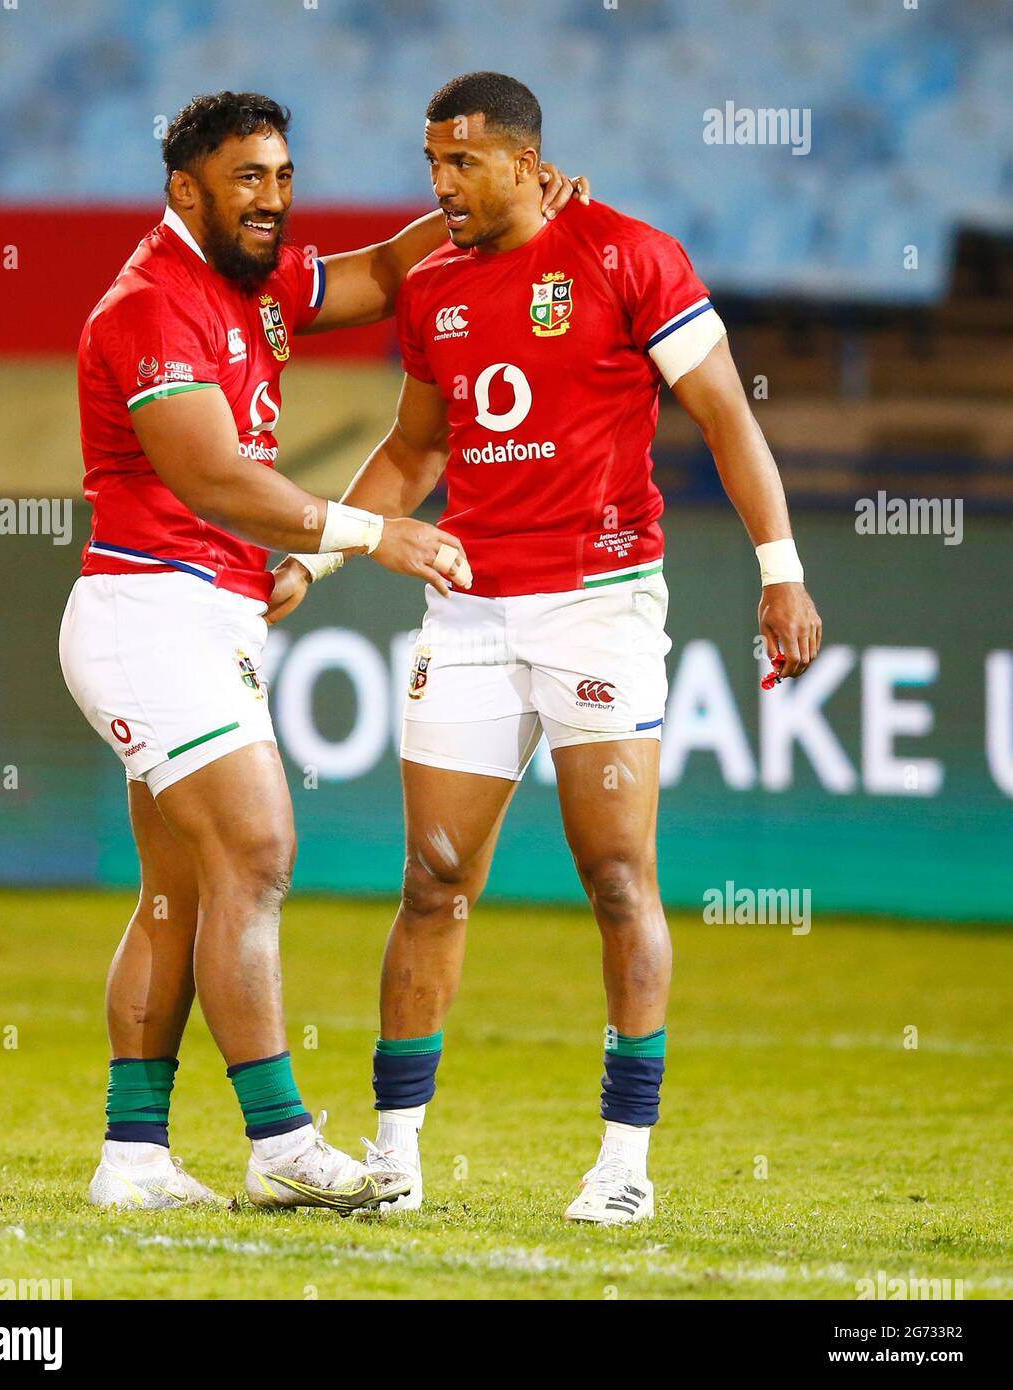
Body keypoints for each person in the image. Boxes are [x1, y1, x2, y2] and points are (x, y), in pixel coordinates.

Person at [271, 72, 822, 1225]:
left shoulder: (629, 256)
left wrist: (781, 572)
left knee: (618, 876)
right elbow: (414, 448)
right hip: (469, 611)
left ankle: (622, 1165)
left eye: (462, 164)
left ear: (527, 161)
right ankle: (396, 1155)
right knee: (432, 881)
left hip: (601, 605)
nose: (442, 186)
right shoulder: (433, 288)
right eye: (432, 165)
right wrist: (318, 557)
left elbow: (727, 414)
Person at [59, 87, 588, 1213]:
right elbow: (211, 477)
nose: (273, 201)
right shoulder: (151, 305)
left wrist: (503, 199)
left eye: (285, 177)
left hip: (203, 614)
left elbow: (390, 271)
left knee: (180, 895)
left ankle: (134, 1155)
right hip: (148, 613)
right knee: (257, 849)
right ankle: (282, 1140)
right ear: (184, 191)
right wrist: (369, 533)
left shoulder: (250, 282)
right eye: (247, 180)